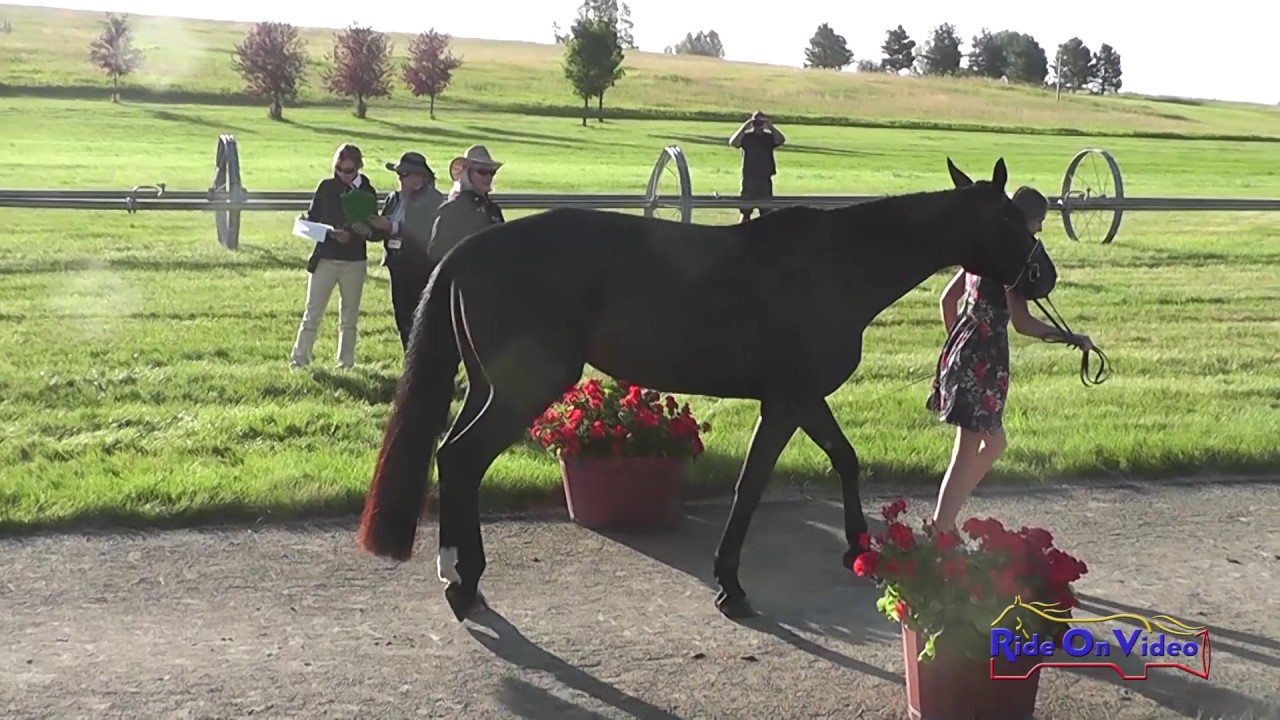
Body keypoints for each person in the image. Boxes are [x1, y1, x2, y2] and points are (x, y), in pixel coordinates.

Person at [925, 186, 1095, 532]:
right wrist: (1069, 337)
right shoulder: (1009, 262)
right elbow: (1022, 322)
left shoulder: (982, 252)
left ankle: (947, 517)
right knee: (967, 449)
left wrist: (957, 344)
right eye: (1039, 221)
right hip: (985, 357)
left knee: (994, 442)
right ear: (1026, 220)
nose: (1040, 229)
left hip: (963, 348)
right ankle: (940, 528)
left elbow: (947, 300)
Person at [290, 143, 379, 369]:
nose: (343, 175)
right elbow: (314, 216)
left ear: (359, 167)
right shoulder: (326, 187)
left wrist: (353, 235)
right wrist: (317, 228)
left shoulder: (367, 190)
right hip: (326, 258)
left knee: (349, 317)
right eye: (339, 169)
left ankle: (345, 363)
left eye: (348, 171)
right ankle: (299, 360)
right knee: (312, 313)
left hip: (354, 261)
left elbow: (372, 226)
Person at [353, 151, 444, 351]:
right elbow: (383, 230)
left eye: (405, 174)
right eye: (399, 174)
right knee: (402, 318)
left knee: (422, 320)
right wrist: (368, 231)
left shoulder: (432, 199)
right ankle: (409, 362)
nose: (400, 179)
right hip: (397, 265)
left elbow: (426, 232)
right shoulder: (393, 198)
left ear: (421, 176)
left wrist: (395, 228)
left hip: (420, 266)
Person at [427, 144, 506, 265]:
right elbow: (436, 253)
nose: (488, 177)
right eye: (482, 172)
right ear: (467, 174)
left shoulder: (493, 210)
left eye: (492, 172)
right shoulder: (451, 210)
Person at [728, 111, 786, 223]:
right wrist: (745, 127)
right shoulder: (747, 137)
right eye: (756, 123)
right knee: (745, 212)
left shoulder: (768, 138)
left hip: (764, 179)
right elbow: (733, 142)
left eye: (760, 123)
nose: (758, 126)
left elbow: (781, 140)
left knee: (767, 213)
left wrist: (770, 126)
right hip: (749, 178)